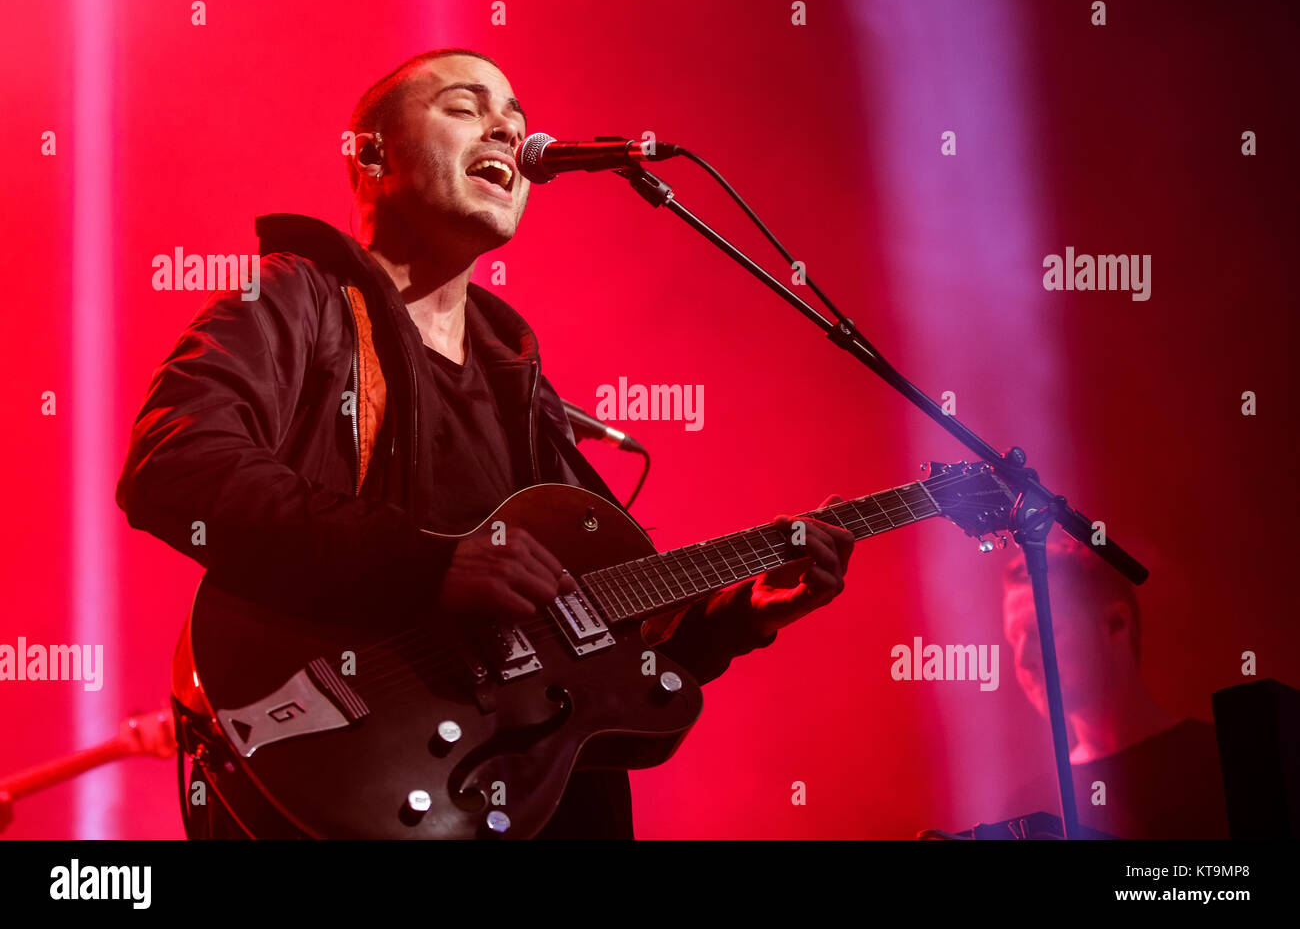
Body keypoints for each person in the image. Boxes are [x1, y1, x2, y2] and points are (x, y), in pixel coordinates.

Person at [116, 48, 856, 839]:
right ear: (371, 152)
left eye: (517, 119)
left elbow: (595, 638)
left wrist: (739, 614)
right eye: (468, 108)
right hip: (345, 768)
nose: (506, 129)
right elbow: (176, 462)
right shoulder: (294, 300)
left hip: (525, 800)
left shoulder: (518, 374)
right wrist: (427, 565)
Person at [996, 536, 1228, 838]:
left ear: (1116, 623)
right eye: (1014, 640)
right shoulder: (1024, 811)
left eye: (1042, 631)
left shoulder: (1227, 764)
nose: (1024, 660)